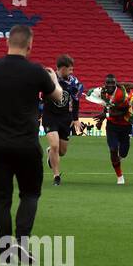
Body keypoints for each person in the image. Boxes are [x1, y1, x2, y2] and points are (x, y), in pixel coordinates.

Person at [0, 25, 62, 265]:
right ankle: (21, 245)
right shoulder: (35, 72)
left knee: (1, 199)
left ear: (7, 42)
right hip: (25, 144)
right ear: (30, 45)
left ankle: (4, 251)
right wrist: (53, 78)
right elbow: (58, 98)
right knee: (30, 194)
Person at [41, 54, 83, 186]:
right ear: (62, 68)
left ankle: (51, 152)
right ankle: (56, 176)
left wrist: (75, 119)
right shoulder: (49, 80)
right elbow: (41, 96)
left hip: (65, 118)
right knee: (55, 145)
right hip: (50, 117)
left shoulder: (74, 82)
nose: (72, 72)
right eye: (70, 69)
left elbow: (76, 101)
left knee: (62, 151)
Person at [94, 75, 133, 184]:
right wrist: (101, 121)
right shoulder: (104, 93)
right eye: (108, 83)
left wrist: (105, 115)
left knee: (124, 153)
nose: (110, 85)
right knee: (113, 150)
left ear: (116, 84)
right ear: (105, 84)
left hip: (125, 125)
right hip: (112, 126)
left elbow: (123, 111)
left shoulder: (122, 94)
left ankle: (118, 160)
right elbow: (106, 107)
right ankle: (119, 176)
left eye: (112, 83)